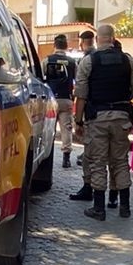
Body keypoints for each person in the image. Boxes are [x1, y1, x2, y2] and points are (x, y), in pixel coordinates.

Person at [71, 23, 133, 220]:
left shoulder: (88, 61)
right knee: (120, 161)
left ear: (97, 40)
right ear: (113, 38)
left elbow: (81, 95)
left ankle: (99, 208)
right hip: (121, 117)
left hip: (97, 119)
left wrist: (78, 121)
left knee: (98, 162)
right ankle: (124, 207)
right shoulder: (127, 60)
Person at [44, 34, 77, 168]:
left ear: (54, 45)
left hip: (51, 99)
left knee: (47, 128)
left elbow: (40, 78)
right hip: (66, 99)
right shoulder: (72, 62)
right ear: (67, 46)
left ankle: (46, 155)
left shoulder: (47, 60)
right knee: (66, 129)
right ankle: (66, 158)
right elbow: (78, 80)